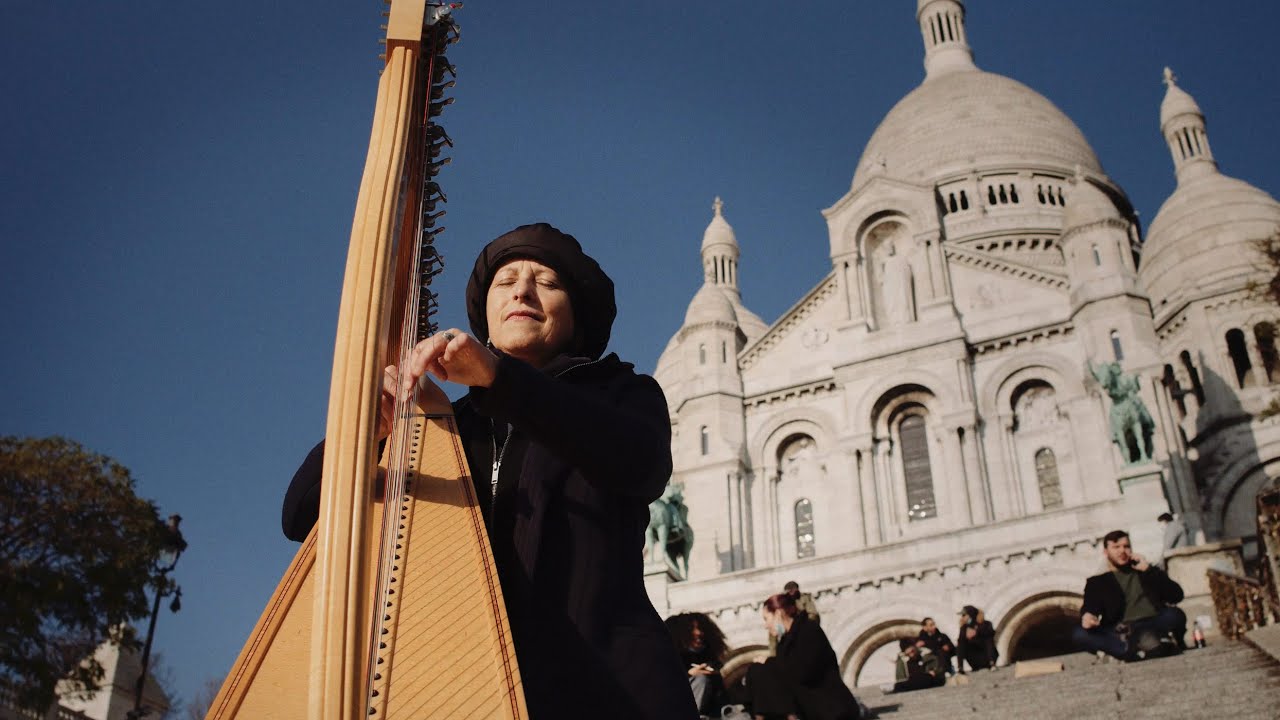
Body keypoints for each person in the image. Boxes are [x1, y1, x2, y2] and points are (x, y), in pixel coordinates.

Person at [281, 224, 698, 719]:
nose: (522, 290)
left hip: (608, 691)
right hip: (467, 694)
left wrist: (499, 379)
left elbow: (642, 466)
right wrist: (368, 428)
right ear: (487, 315)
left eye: (546, 282)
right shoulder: (445, 428)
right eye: (506, 281)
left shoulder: (621, 392)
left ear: (576, 313)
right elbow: (300, 514)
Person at [1073, 529, 1186, 661]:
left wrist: (1149, 570)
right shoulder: (1097, 582)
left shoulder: (1145, 571)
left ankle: (1130, 651)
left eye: (1126, 546)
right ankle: (1137, 648)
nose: (1122, 551)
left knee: (1173, 614)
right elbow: (1090, 606)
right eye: (1116, 547)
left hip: (1152, 621)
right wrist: (1088, 616)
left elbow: (1177, 595)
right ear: (1106, 552)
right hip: (1121, 630)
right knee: (1079, 634)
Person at [744, 593, 861, 720]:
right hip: (813, 711)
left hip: (833, 712)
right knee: (756, 670)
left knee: (762, 669)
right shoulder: (784, 642)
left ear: (778, 613)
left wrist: (769, 662)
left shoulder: (808, 630)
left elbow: (801, 671)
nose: (766, 625)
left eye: (766, 619)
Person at [666, 612, 730, 717]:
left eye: (700, 628)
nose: (699, 633)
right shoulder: (669, 660)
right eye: (692, 629)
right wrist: (689, 675)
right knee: (701, 679)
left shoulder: (708, 657)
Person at [770, 581, 820, 655]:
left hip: (802, 630)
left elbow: (813, 614)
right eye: (789, 592)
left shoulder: (803, 598)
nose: (791, 594)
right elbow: (775, 631)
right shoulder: (782, 602)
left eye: (792, 591)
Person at [955, 605, 998, 672]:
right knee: (960, 644)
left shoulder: (986, 623)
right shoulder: (964, 628)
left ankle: (992, 663)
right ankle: (960, 668)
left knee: (988, 640)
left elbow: (991, 633)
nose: (962, 617)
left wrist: (977, 632)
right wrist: (964, 635)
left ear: (970, 615)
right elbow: (961, 642)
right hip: (975, 659)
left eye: (964, 615)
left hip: (986, 655)